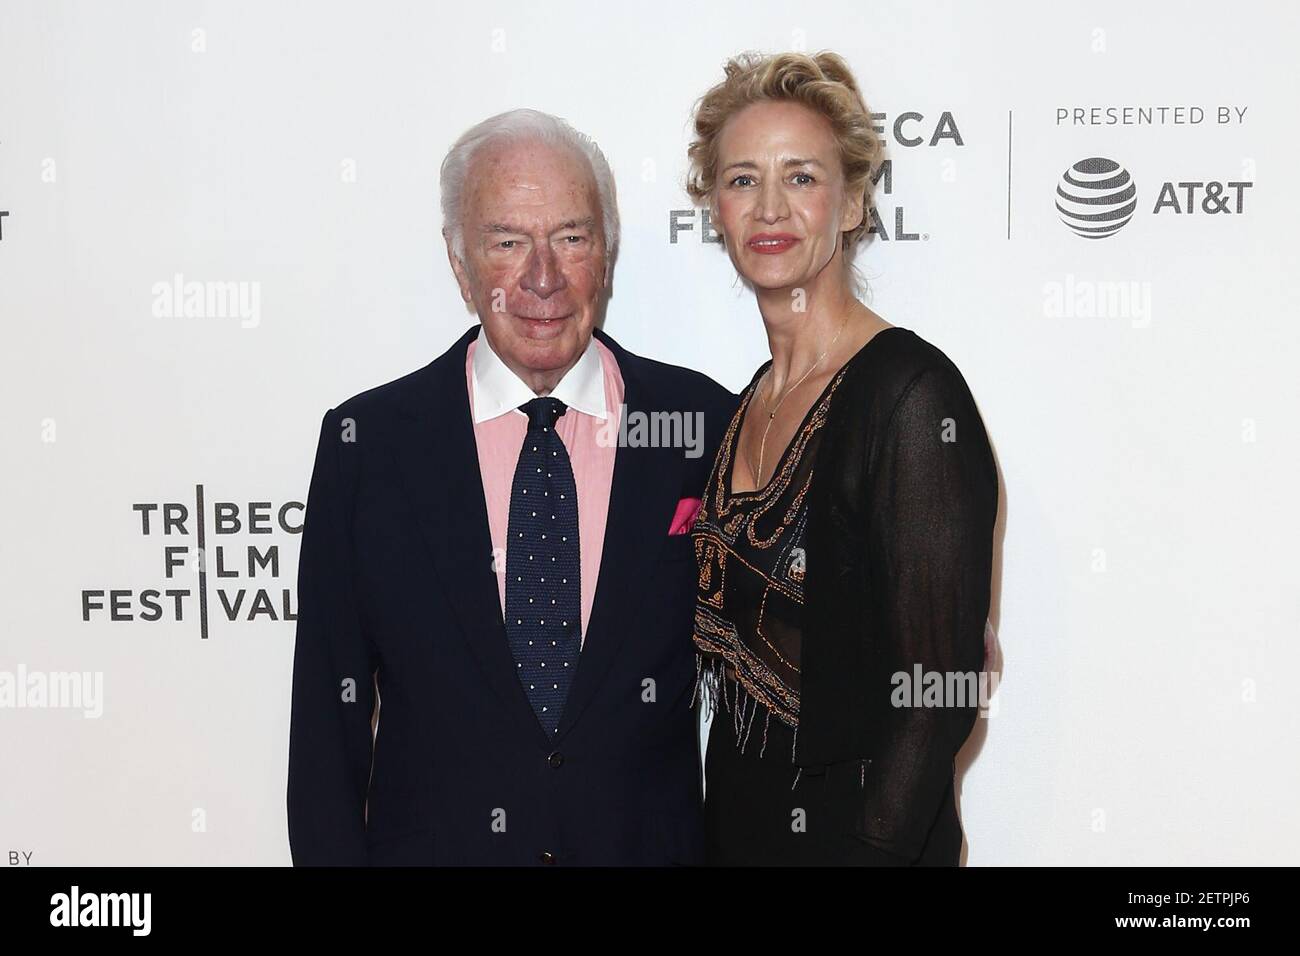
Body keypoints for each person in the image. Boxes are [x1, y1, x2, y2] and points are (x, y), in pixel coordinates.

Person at [287, 108, 736, 865]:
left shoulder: (703, 426)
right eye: (507, 242)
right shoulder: (370, 445)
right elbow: (326, 743)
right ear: (460, 265)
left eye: (571, 237)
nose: (543, 277)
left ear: (608, 250)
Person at [684, 51, 999, 865]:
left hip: (861, 840)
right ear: (714, 207)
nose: (770, 207)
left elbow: (937, 699)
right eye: (743, 179)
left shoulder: (911, 395)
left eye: (802, 176)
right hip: (738, 828)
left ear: (853, 201)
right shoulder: (746, 400)